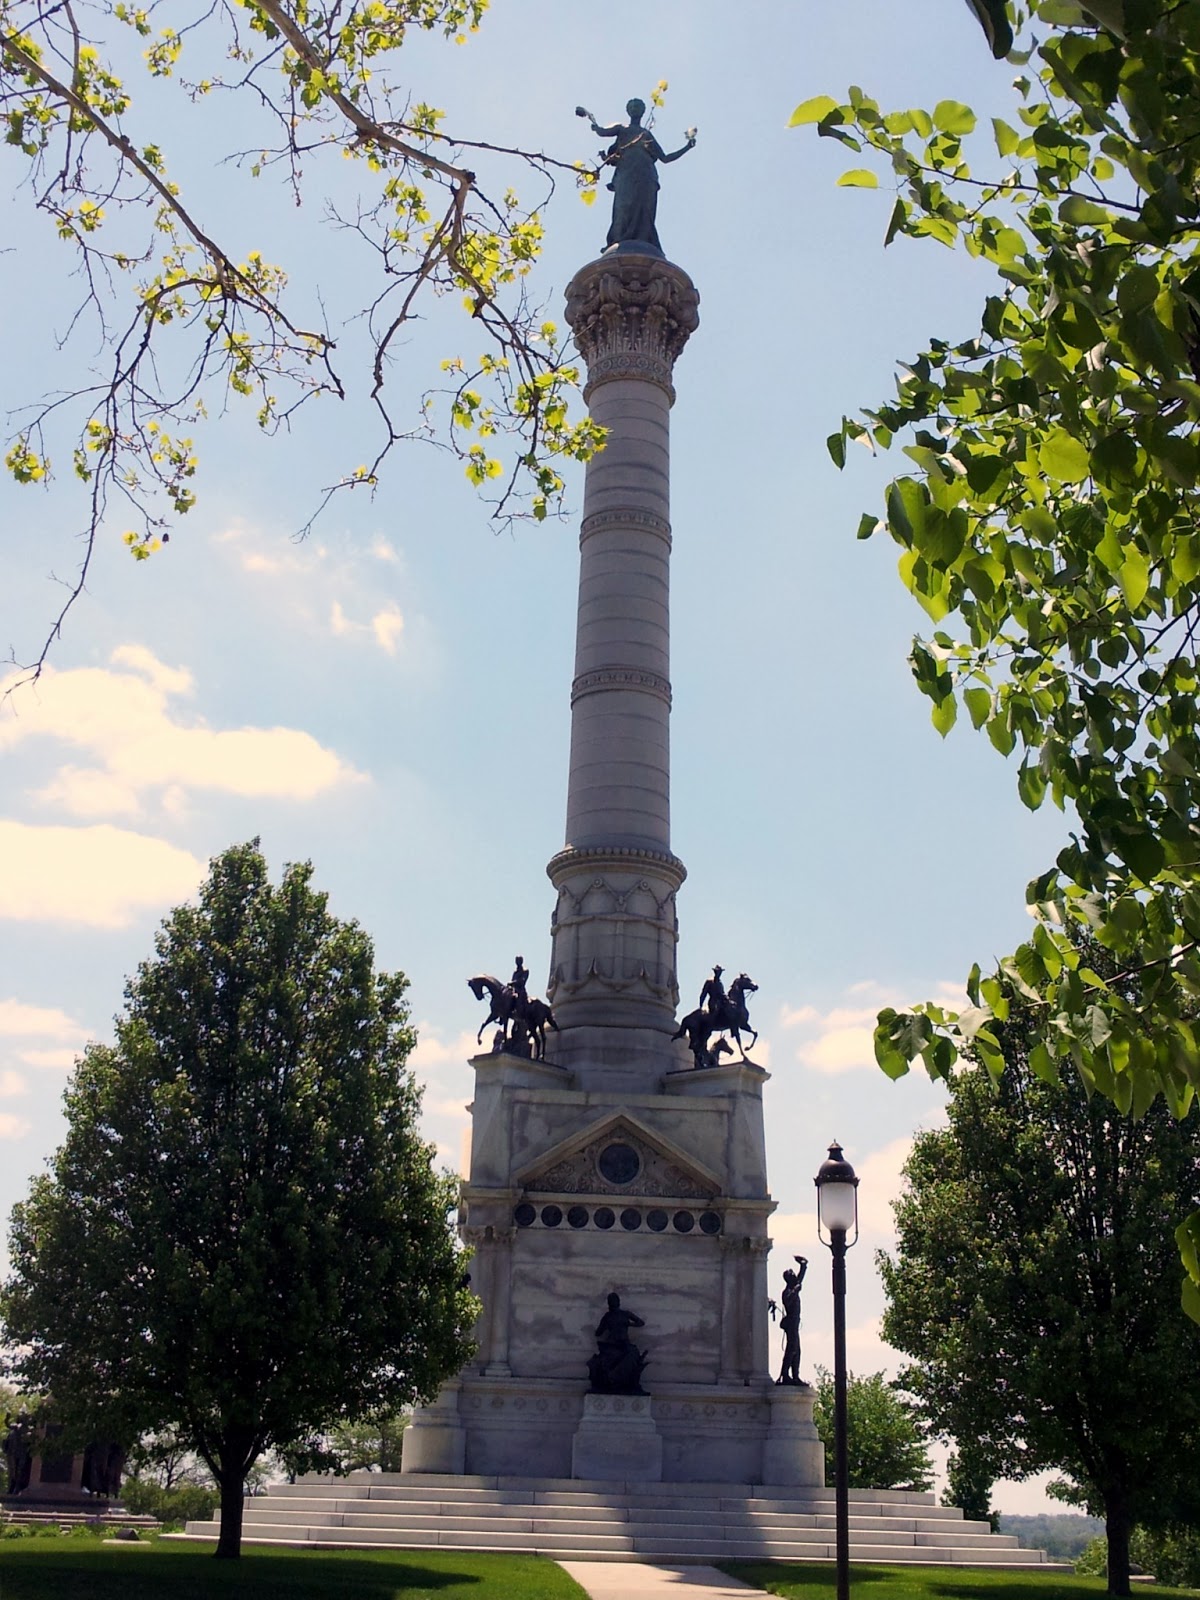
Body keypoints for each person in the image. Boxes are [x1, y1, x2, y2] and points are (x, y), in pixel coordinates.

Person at [584, 99, 695, 252]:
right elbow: (603, 132)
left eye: (638, 107)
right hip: (626, 175)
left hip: (646, 175)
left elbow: (665, 158)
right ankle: (618, 241)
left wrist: (687, 147)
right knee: (623, 207)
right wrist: (593, 124)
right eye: (633, 107)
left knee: (644, 209)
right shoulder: (622, 128)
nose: (635, 109)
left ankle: (644, 240)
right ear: (628, 111)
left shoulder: (646, 134)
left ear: (642, 112)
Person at [588, 1292, 648, 1394]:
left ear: (609, 1304)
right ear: (618, 1303)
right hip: (619, 1344)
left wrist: (628, 1324)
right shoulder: (622, 1314)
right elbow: (640, 1323)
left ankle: (615, 1377)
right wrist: (628, 1324)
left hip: (617, 1344)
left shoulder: (610, 1316)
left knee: (632, 1354)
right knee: (632, 1353)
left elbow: (598, 1333)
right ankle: (614, 1378)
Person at [777, 1258, 808, 1386]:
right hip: (791, 1324)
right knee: (791, 1349)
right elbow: (788, 1301)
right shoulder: (787, 1292)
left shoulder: (794, 1286)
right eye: (793, 1275)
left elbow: (801, 1277)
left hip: (795, 1323)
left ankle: (795, 1375)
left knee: (797, 1350)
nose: (795, 1276)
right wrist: (796, 1290)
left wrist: (803, 1265)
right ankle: (785, 1374)